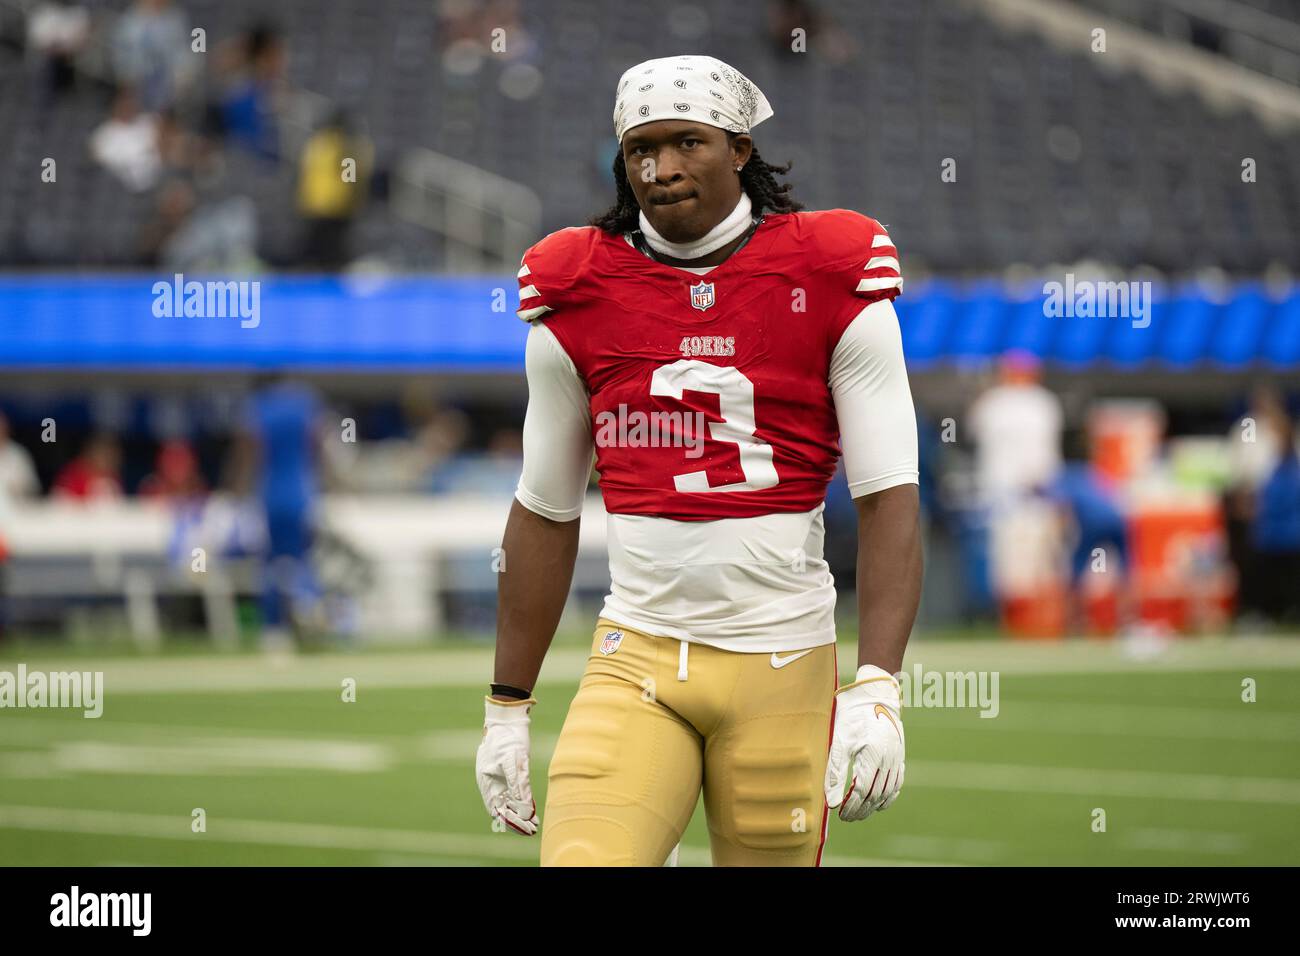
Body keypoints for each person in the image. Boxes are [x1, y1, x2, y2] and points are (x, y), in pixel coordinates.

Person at [475, 55, 921, 866]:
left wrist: (879, 685)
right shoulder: (576, 285)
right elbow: (544, 508)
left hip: (783, 661)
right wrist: (507, 706)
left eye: (688, 142)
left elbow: (890, 494)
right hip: (637, 651)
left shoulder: (830, 266)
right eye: (641, 149)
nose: (662, 169)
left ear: (741, 148)